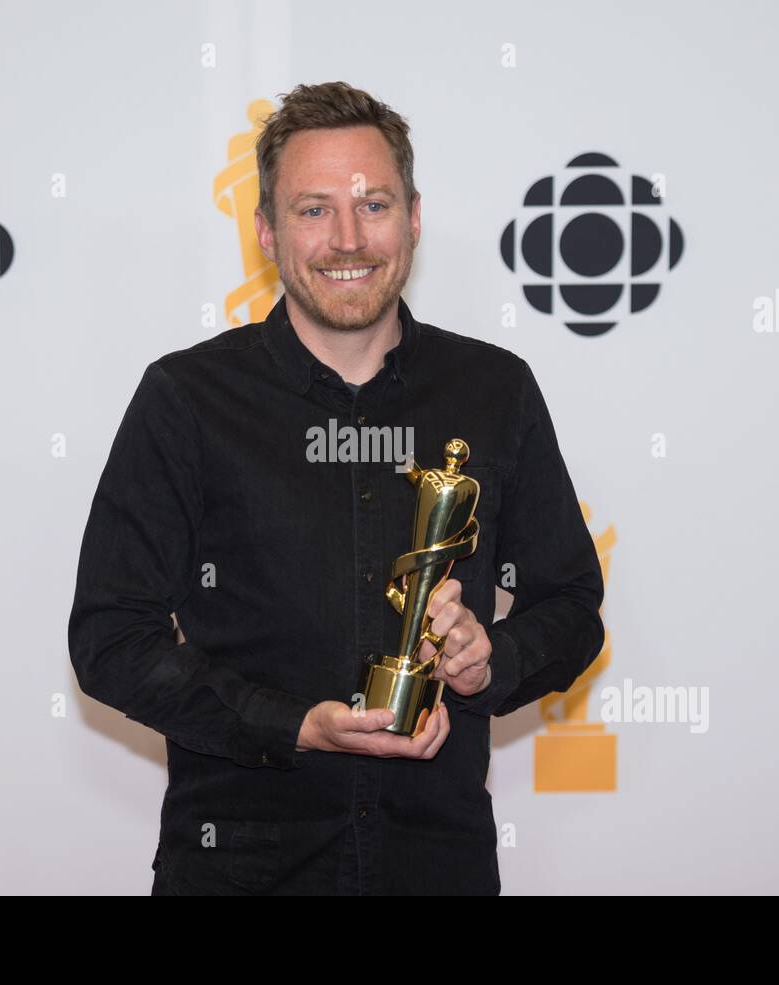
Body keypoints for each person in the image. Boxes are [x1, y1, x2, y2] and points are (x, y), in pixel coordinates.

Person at [68, 80, 604, 895]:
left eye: (374, 205)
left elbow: (570, 605)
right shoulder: (186, 399)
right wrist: (295, 725)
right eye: (314, 209)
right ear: (265, 232)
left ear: (415, 218)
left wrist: (490, 661)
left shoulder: (496, 391)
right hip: (242, 874)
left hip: (439, 870)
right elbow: (110, 639)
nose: (347, 239)